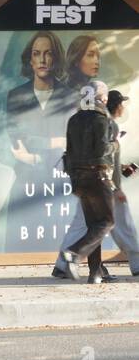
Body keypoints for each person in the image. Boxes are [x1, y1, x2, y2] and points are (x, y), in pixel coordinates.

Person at [53, 89, 139, 280]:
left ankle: (76, 268)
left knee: (86, 226)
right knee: (114, 224)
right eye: (121, 103)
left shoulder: (83, 121)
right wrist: (116, 187)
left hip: (85, 180)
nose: (123, 107)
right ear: (113, 104)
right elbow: (103, 154)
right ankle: (74, 257)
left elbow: (94, 155)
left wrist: (121, 167)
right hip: (103, 183)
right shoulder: (106, 123)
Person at [3, 32, 75, 249]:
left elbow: (72, 140)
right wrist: (56, 142)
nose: (42, 59)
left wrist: (36, 153)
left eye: (48, 53)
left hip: (60, 181)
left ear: (56, 58)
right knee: (21, 244)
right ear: (30, 59)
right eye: (36, 53)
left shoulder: (71, 96)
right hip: (26, 182)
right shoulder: (16, 95)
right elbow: (18, 140)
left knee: (59, 241)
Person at [61, 79, 117, 283]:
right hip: (98, 176)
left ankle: (95, 273)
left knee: (94, 225)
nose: (106, 100)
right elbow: (102, 150)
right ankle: (74, 253)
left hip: (79, 179)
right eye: (106, 96)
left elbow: (69, 151)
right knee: (107, 221)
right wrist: (115, 144)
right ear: (102, 98)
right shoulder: (101, 119)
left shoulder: (74, 119)